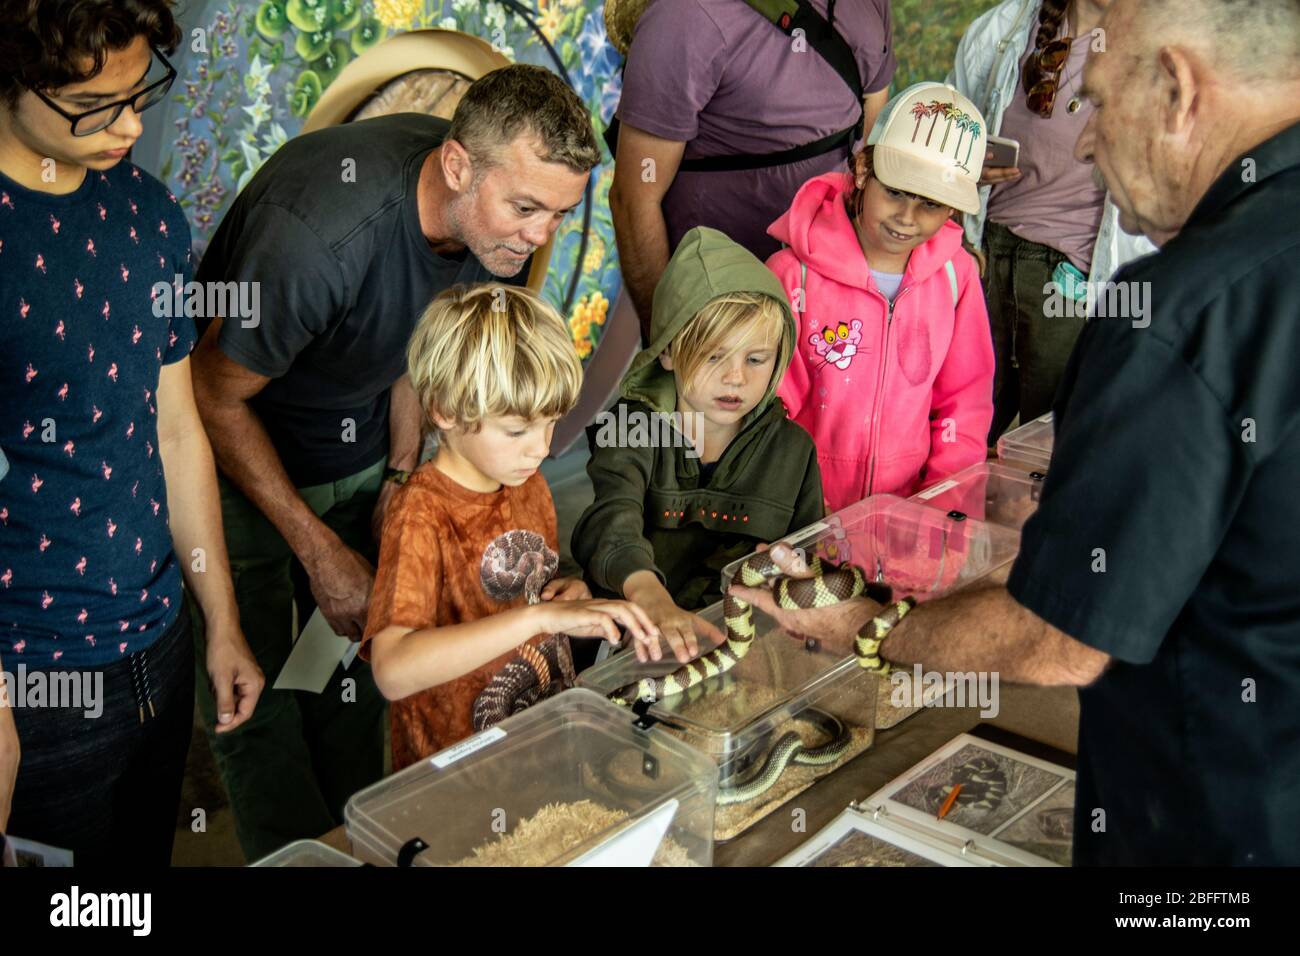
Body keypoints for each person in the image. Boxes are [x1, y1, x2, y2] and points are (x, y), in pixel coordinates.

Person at [735, 0, 1300, 865]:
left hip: (1221, 834)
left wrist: (874, 630)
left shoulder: (1179, 316)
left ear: (1178, 89)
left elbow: (1061, 635)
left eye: (1099, 104)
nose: (1082, 145)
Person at [186, 63, 601, 859]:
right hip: (239, 461)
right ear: (456, 167)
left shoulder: (485, 220)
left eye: (558, 213)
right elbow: (211, 394)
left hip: (361, 439)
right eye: (525, 208)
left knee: (346, 677)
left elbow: (422, 348)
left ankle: (366, 842)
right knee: (258, 699)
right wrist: (317, 549)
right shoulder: (320, 238)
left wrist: (401, 474)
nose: (540, 235)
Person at [0, 0, 261, 865]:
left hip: (159, 640)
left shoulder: (149, 215)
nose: (131, 124)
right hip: (31, 676)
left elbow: (178, 430)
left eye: (139, 91)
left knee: (130, 894)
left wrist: (220, 618)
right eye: (94, 105)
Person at [361, 285, 657, 769]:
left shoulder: (525, 481)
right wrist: (538, 619)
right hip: (460, 772)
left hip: (538, 743)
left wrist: (567, 595)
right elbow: (393, 670)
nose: (541, 448)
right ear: (445, 411)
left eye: (551, 423)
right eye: (518, 430)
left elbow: (528, 590)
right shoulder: (421, 512)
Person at [572, 227, 823, 663]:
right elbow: (610, 516)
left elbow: (806, 560)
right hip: (634, 642)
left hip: (747, 649)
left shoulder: (795, 452)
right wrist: (648, 593)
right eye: (713, 355)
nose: (735, 378)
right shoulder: (629, 429)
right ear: (667, 353)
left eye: (756, 358)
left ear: (780, 357)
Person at [767, 82, 994, 513]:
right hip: (804, 514)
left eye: (930, 204)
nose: (906, 219)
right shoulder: (790, 275)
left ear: (952, 209)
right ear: (863, 171)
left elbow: (964, 405)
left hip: (911, 520)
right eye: (895, 192)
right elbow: (771, 409)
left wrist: (940, 507)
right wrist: (794, 505)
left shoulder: (956, 277)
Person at [610, 0, 897, 336]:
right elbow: (634, 199)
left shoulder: (867, 7)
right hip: (720, 316)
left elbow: (870, 152)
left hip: (829, 318)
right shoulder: (685, 15)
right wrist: (668, 340)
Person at [948, 0, 1155, 440]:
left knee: (1052, 452)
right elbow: (948, 127)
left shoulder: (1157, 44)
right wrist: (961, 162)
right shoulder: (1005, 28)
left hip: (1070, 284)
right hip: (982, 263)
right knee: (957, 435)